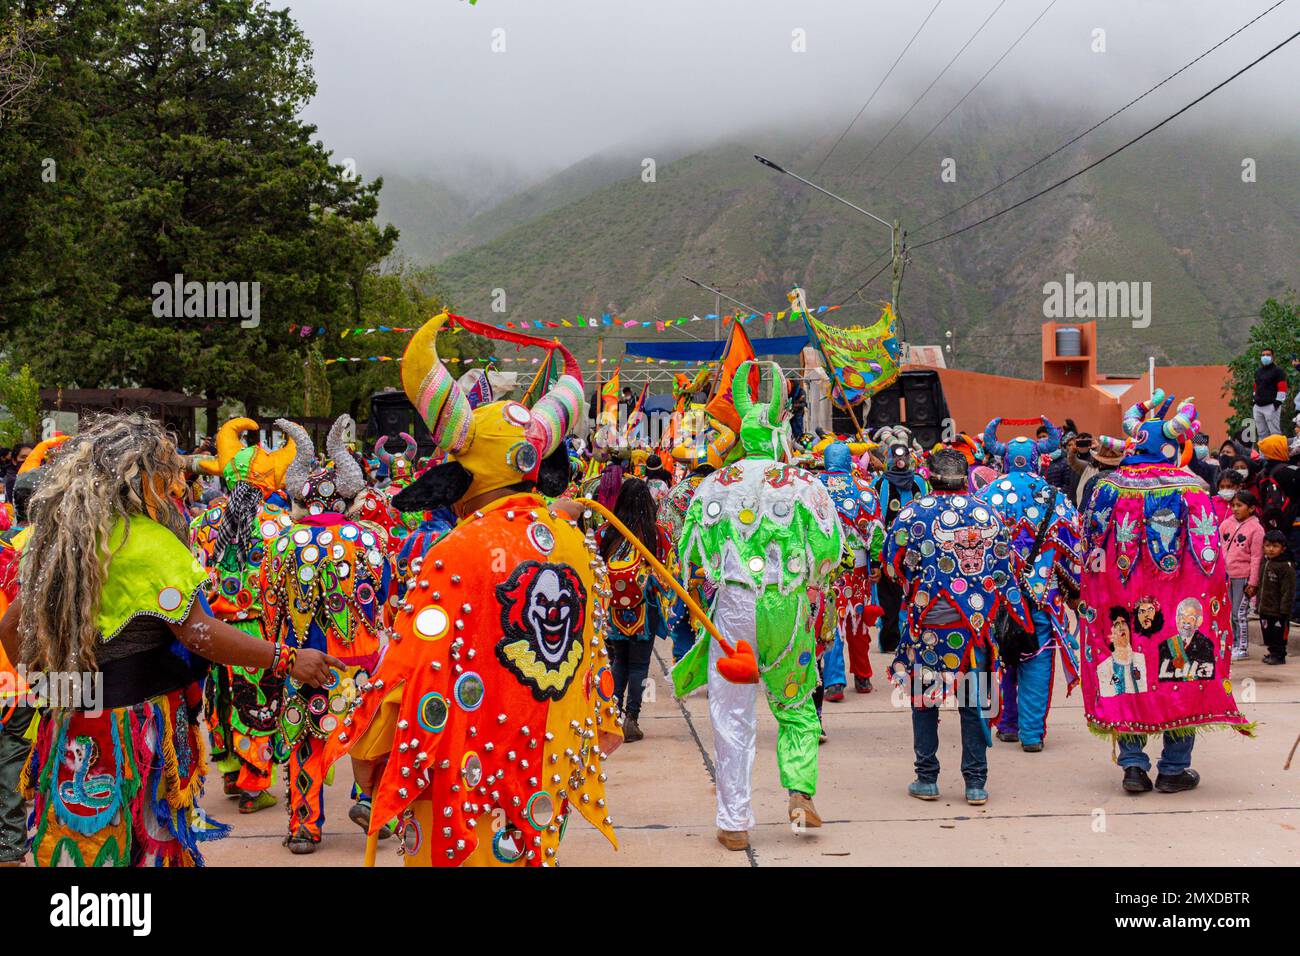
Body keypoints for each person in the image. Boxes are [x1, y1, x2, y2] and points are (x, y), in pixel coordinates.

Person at [334, 312, 621, 867]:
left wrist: (368, 759)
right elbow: (593, 669)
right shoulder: (580, 549)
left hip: (461, 781)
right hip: (544, 774)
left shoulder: (454, 552)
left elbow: (408, 672)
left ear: (459, 478)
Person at [0, 413, 336, 867]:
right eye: (167, 471)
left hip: (72, 722)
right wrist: (286, 657)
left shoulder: (65, 539)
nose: (177, 483)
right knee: (146, 845)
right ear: (142, 476)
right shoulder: (152, 544)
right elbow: (200, 634)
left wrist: (53, 696)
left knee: (83, 845)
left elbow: (11, 627)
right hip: (139, 730)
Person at [671, 361, 843, 851]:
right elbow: (829, 552)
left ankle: (734, 821)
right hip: (786, 607)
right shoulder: (806, 485)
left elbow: (689, 551)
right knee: (794, 706)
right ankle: (799, 790)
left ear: (742, 431)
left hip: (732, 608)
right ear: (781, 431)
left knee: (732, 714)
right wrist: (809, 581)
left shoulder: (713, 485)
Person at [1079, 391, 1253, 797]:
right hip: (1182, 611)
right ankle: (1174, 768)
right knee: (1183, 673)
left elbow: (1090, 556)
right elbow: (1213, 563)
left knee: (1126, 672)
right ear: (1174, 448)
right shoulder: (1193, 490)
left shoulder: (1108, 489)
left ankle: (1134, 768)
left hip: (1121, 611)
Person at [884, 448, 1026, 805]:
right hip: (974, 627)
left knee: (924, 700)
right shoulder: (989, 514)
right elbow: (1005, 570)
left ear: (929, 475)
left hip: (929, 622)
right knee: (972, 703)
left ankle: (927, 778)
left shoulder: (914, 513)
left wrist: (915, 581)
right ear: (965, 477)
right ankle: (976, 783)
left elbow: (891, 563)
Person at [188, 417, 297, 814]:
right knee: (256, 702)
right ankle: (253, 786)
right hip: (259, 631)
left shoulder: (202, 523)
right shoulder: (279, 525)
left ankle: (233, 774)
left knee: (223, 700)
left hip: (213, 630)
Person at [978, 416, 1083, 752]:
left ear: (1003, 459)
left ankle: (1006, 723)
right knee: (1037, 658)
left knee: (1003, 654)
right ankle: (1032, 733)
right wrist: (1074, 592)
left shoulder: (985, 497)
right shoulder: (1057, 498)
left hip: (997, 598)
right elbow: (1072, 549)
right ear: (1041, 459)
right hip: (1043, 597)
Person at [597, 477, 673, 743]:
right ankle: (632, 718)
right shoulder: (656, 533)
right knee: (640, 665)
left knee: (619, 661)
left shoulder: (607, 531)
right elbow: (667, 575)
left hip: (615, 609)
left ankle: (613, 717)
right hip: (645, 609)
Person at [815, 441, 884, 697]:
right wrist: (875, 563)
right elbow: (876, 532)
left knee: (831, 620)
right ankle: (863, 677)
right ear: (848, 461)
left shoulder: (812, 488)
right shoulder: (864, 489)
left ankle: (834, 682)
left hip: (824, 568)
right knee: (858, 620)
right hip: (857, 567)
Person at [871, 430, 929, 653]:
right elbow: (876, 518)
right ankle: (890, 640)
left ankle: (915, 637)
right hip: (889, 548)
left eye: (903, 456)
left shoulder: (920, 483)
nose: (900, 461)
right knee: (889, 598)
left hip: (917, 547)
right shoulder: (879, 484)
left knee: (915, 592)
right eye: (895, 457)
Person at [1219, 490, 1264, 661]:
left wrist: (1253, 582)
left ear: (1251, 508)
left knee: (1240, 613)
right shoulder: (1226, 524)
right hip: (1227, 576)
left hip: (1243, 577)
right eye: (1233, 505)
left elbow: (1256, 557)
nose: (1235, 509)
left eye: (1240, 505)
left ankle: (1242, 647)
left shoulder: (1256, 529)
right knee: (1230, 613)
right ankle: (1234, 644)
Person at [1258, 530, 1295, 665]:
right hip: (1265, 608)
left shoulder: (1286, 567)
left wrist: (1285, 610)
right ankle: (1272, 652)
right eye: (1268, 546)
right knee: (1268, 634)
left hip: (1279, 611)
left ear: (1283, 548)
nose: (1271, 549)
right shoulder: (1265, 563)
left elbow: (1288, 590)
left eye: (1275, 546)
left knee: (1278, 634)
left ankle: (1279, 655)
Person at [1252, 348, 1288, 439]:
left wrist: (1278, 402)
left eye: (1268, 355)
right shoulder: (1258, 372)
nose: (1265, 357)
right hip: (1258, 407)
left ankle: (1277, 453)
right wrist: (1254, 400)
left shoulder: (1278, 371)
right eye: (1263, 355)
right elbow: (1256, 386)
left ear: (1273, 357)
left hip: (1271, 406)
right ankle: (1263, 453)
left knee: (1274, 433)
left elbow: (1282, 387)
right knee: (1261, 434)